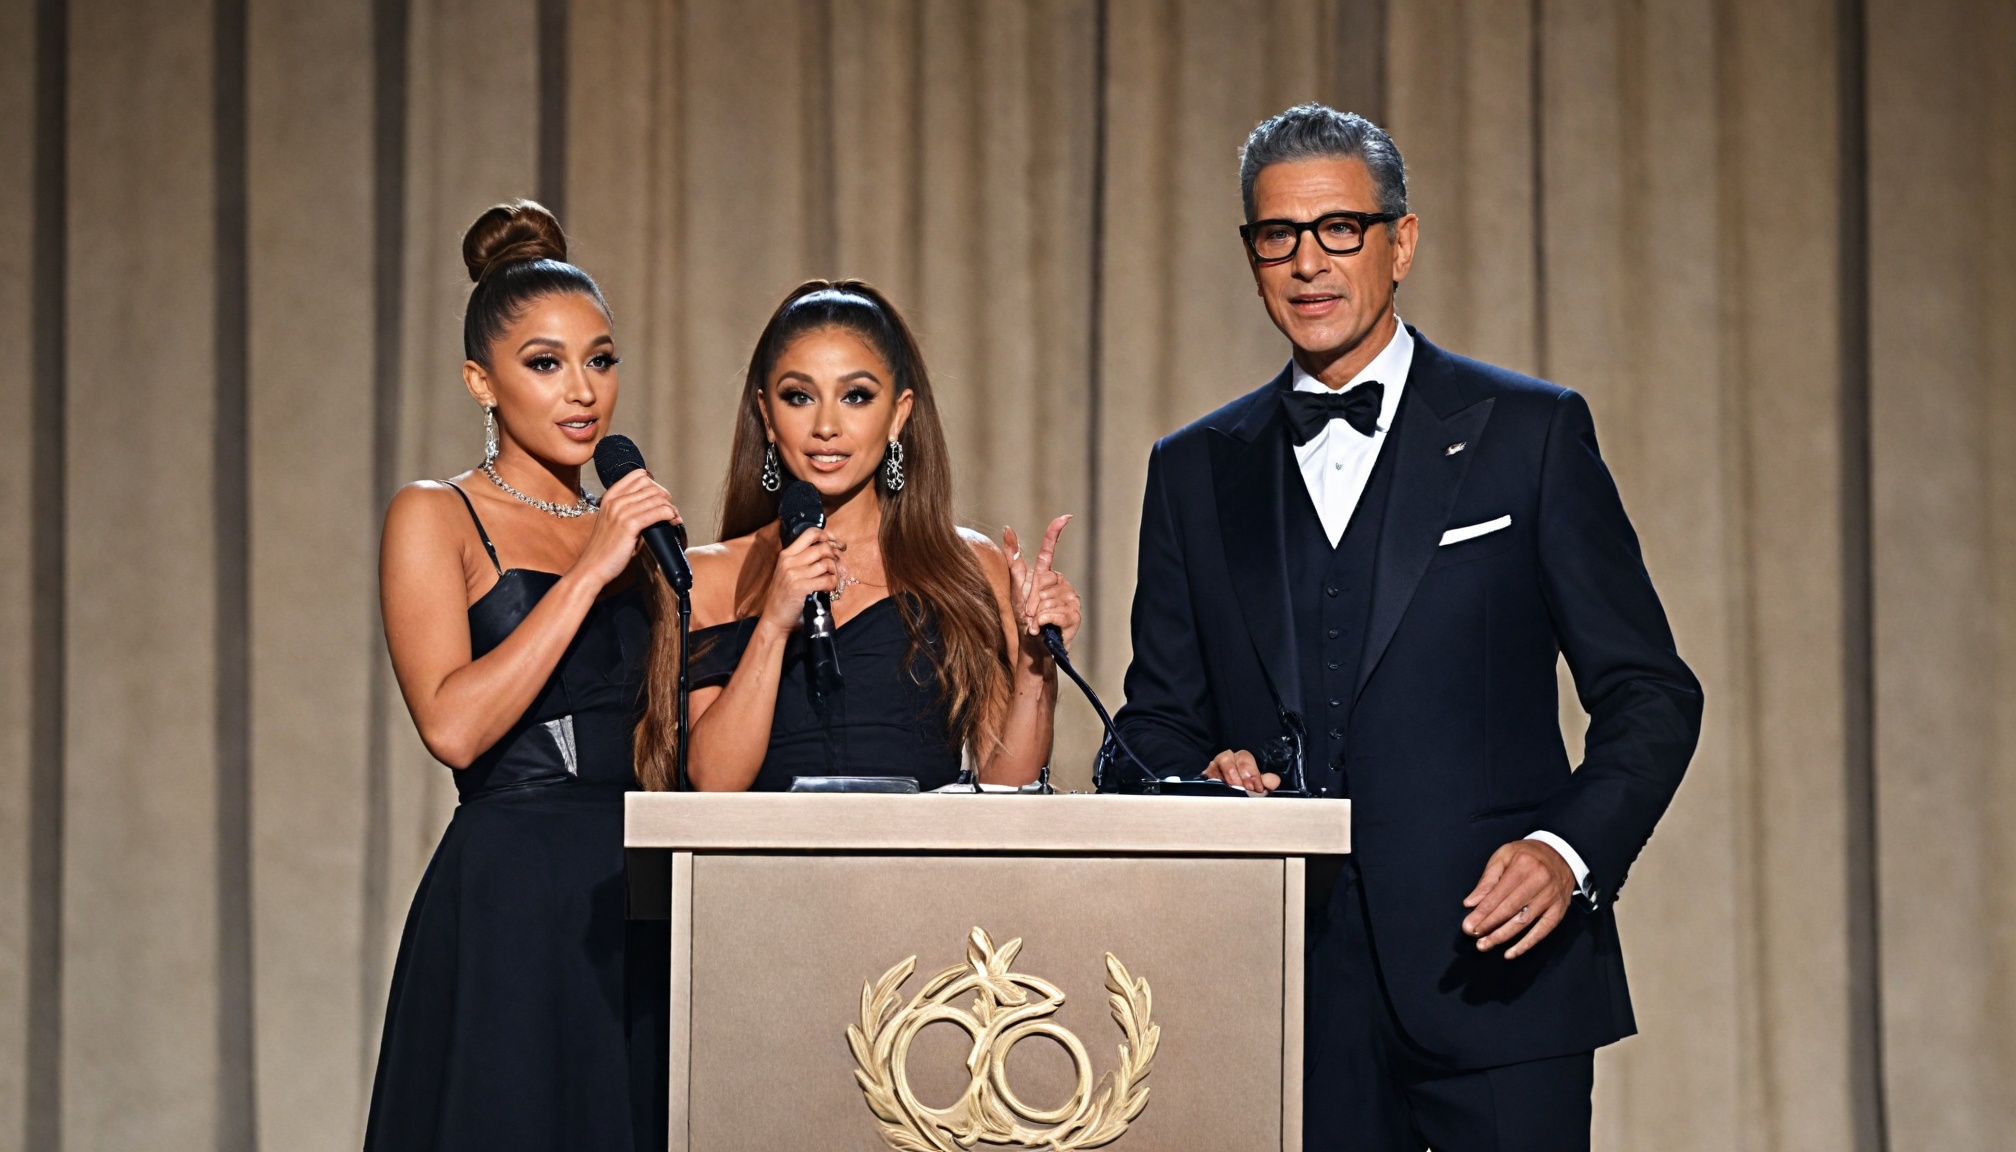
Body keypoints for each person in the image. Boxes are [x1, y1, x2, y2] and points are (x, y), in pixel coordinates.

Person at [1111, 105, 1703, 1150]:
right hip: (1285, 992)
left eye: (1340, 228)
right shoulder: (1194, 470)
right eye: (1277, 236)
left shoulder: (1530, 433)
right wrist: (1200, 776)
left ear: (1403, 242)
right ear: (1250, 257)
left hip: (1501, 976)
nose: (1308, 263)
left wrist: (1566, 852)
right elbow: (1150, 724)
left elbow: (1652, 694)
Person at [366, 200, 674, 1151]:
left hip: (643, 885)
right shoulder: (436, 514)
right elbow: (453, 727)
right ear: (480, 382)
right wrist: (589, 573)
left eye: (600, 359)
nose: (582, 391)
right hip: (514, 893)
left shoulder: (635, 528)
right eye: (545, 364)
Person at [636, 280, 1079, 792]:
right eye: (799, 397)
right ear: (767, 415)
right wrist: (775, 623)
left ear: (898, 414)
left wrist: (1034, 662)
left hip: (919, 867)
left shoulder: (967, 566)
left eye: (856, 396)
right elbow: (712, 784)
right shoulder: (706, 576)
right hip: (761, 869)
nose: (826, 425)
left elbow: (1007, 789)